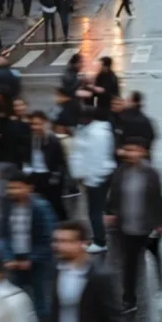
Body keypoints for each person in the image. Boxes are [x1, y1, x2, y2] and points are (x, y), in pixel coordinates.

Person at [0, 170, 56, 322]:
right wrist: (8, 257)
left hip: (38, 263)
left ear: (28, 188)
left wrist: (31, 259)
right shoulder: (7, 205)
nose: (12, 191)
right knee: (14, 300)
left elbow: (48, 238)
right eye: (10, 188)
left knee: (40, 303)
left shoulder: (40, 208)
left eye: (17, 187)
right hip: (16, 260)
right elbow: (4, 234)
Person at [106, 139, 162, 313]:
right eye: (128, 150)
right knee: (129, 263)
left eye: (135, 150)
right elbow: (114, 194)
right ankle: (129, 298)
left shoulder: (151, 174)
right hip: (126, 226)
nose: (131, 154)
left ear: (143, 152)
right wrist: (110, 212)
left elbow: (158, 198)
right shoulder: (120, 172)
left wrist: (161, 222)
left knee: (153, 254)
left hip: (147, 226)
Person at [68, 107, 116, 252]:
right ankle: (98, 238)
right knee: (94, 210)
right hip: (97, 176)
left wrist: (90, 179)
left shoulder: (96, 134)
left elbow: (94, 158)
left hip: (96, 178)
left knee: (94, 211)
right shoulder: (96, 131)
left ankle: (100, 241)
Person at [25, 110, 67, 219]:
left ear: (44, 123)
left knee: (55, 204)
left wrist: (56, 176)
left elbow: (60, 161)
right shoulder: (29, 138)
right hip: (35, 174)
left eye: (38, 124)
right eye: (33, 124)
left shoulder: (52, 140)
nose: (35, 127)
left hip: (49, 175)